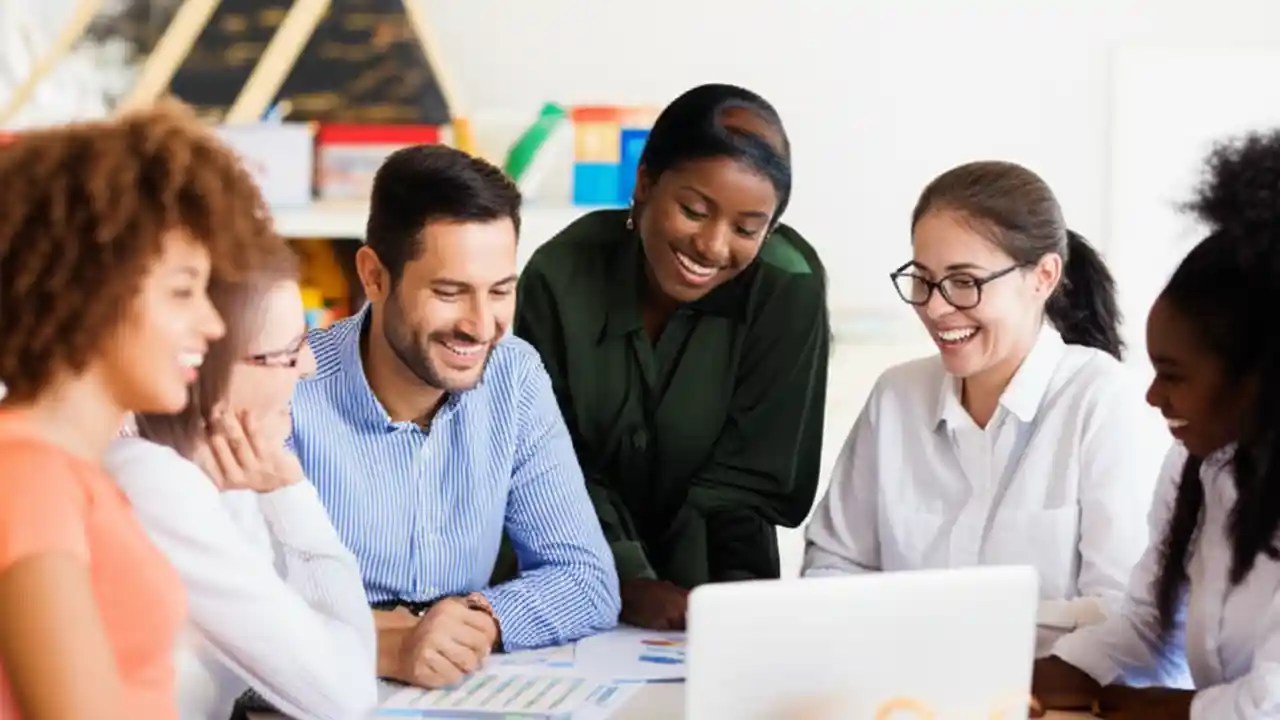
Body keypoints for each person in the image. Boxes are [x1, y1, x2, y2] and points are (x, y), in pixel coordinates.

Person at [801, 160, 1169, 655]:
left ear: (1043, 277)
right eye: (923, 279)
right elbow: (832, 567)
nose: (935, 307)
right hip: (899, 687)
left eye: (964, 281)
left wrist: (948, 625)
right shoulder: (896, 397)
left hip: (1049, 693)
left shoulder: (1102, 401)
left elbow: (1125, 617)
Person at [288, 144, 620, 690]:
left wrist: (473, 622)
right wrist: (386, 645)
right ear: (373, 276)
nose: (481, 326)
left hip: (456, 693)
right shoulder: (287, 386)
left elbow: (587, 581)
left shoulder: (513, 376)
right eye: (449, 292)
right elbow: (230, 612)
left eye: (500, 292)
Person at [514, 83, 830, 630]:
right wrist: (626, 579)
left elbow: (753, 484)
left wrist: (721, 610)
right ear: (644, 183)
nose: (713, 245)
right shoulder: (560, 276)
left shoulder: (788, 287)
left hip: (723, 592)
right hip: (572, 571)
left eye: (747, 229)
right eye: (694, 210)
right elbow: (549, 458)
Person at [0, 102, 277, 718]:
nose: (211, 324)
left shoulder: (72, 471)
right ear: (86, 287)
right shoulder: (31, 476)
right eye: (182, 291)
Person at [1033, 131, 1280, 719]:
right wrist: (1038, 677)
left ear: (1256, 379)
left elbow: (1266, 703)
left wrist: (1147, 708)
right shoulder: (1197, 464)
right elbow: (1148, 621)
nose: (1151, 395)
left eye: (1173, 375)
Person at [108, 250, 378, 720]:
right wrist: (290, 493)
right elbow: (346, 692)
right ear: (206, 363)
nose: (309, 366)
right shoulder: (154, 484)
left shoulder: (221, 478)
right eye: (289, 352)